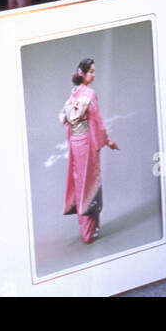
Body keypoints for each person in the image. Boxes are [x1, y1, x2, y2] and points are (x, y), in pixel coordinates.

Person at [60, 57, 117, 244]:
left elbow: (65, 118)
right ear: (82, 74)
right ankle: (89, 232)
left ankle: (88, 230)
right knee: (90, 183)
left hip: (76, 143)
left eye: (94, 71)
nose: (94, 74)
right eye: (91, 71)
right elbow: (98, 122)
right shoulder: (90, 94)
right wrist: (107, 141)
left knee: (80, 183)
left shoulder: (73, 94)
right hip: (86, 143)